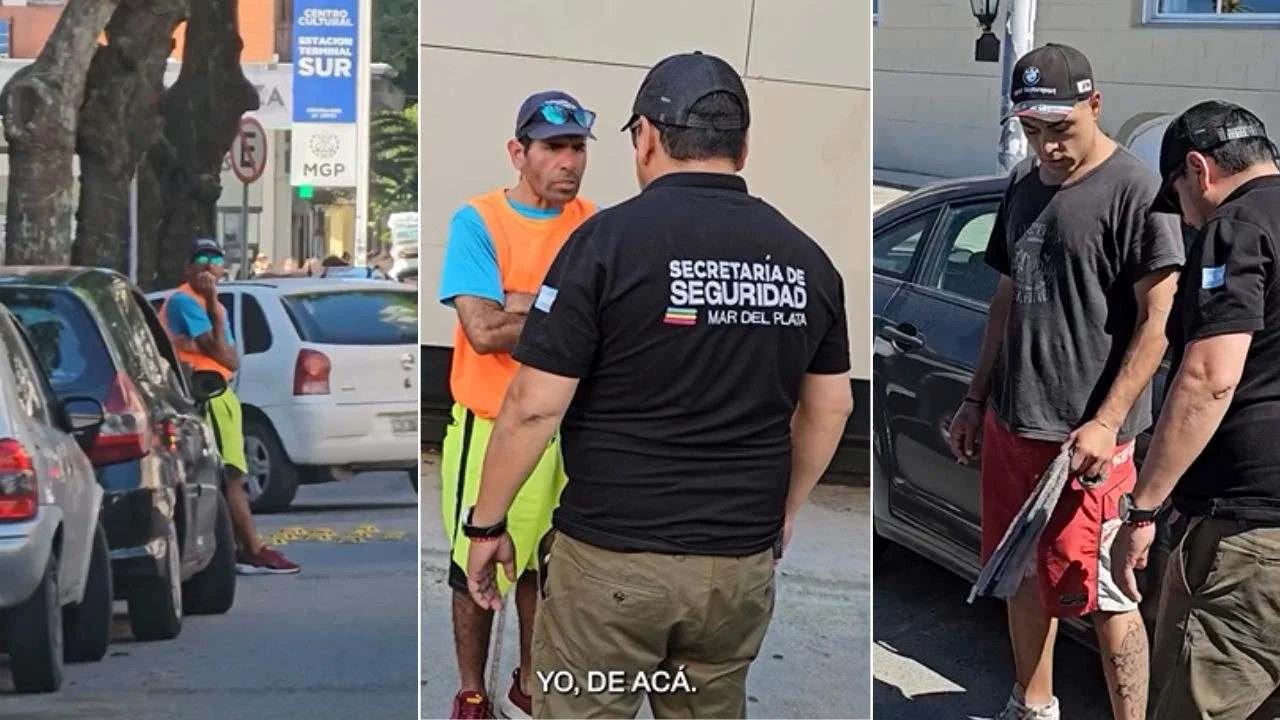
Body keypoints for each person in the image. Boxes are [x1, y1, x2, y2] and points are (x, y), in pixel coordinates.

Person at [465, 51, 853, 719]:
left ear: (644, 136)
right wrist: (782, 513)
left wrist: (488, 523)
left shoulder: (606, 244)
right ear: (742, 146)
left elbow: (533, 407)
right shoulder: (807, 259)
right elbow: (831, 405)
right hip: (737, 570)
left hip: (614, 560)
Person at [945, 44, 1183, 720]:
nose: (1047, 147)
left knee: (1106, 593)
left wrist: (1108, 421)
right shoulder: (1024, 185)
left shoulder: (1137, 190)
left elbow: (1158, 317)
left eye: (1061, 129)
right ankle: (1034, 706)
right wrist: (975, 396)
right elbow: (1004, 298)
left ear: (1095, 105)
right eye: (1032, 130)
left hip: (1091, 445)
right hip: (1014, 425)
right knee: (1020, 573)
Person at [1111, 101, 1280, 720]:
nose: (1182, 214)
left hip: (1251, 531)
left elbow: (1209, 377)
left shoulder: (1235, 227)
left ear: (1197, 169)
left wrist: (1144, 507)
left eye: (1177, 196)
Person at [438, 90, 597, 719]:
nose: (569, 162)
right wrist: (561, 311)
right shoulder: (477, 221)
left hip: (570, 424)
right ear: (518, 152)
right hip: (488, 423)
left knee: (544, 566)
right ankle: (472, 691)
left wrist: (522, 302)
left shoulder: (594, 224)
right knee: (472, 562)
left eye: (578, 148)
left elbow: (603, 325)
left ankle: (531, 684)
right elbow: (482, 331)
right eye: (554, 147)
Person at [160, 238, 301, 575]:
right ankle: (252, 549)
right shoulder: (184, 301)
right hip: (204, 395)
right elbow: (218, 351)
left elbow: (230, 359)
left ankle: (239, 547)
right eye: (201, 257)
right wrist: (209, 320)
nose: (209, 264)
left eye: (215, 258)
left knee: (232, 473)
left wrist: (212, 328)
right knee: (232, 475)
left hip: (220, 394)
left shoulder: (215, 307)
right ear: (188, 267)